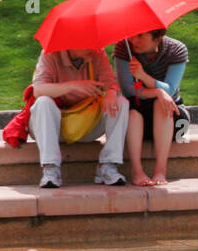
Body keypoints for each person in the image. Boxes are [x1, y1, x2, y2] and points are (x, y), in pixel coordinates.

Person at [29, 47, 129, 188]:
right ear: (71, 43)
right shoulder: (50, 53)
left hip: (87, 124)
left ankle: (108, 166)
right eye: (87, 43)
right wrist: (73, 86)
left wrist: (112, 92)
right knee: (43, 102)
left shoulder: (97, 53)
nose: (92, 47)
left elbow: (111, 82)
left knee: (121, 102)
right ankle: (51, 169)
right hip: (53, 127)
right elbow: (38, 90)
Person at [114, 29, 190, 186]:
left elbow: (170, 90)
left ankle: (160, 170)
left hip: (173, 118)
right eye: (133, 34)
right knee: (133, 113)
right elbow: (128, 89)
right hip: (136, 113)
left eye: (140, 35)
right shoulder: (124, 47)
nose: (134, 40)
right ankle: (137, 171)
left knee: (161, 104)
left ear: (158, 38)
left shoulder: (176, 50)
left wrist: (143, 76)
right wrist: (157, 91)